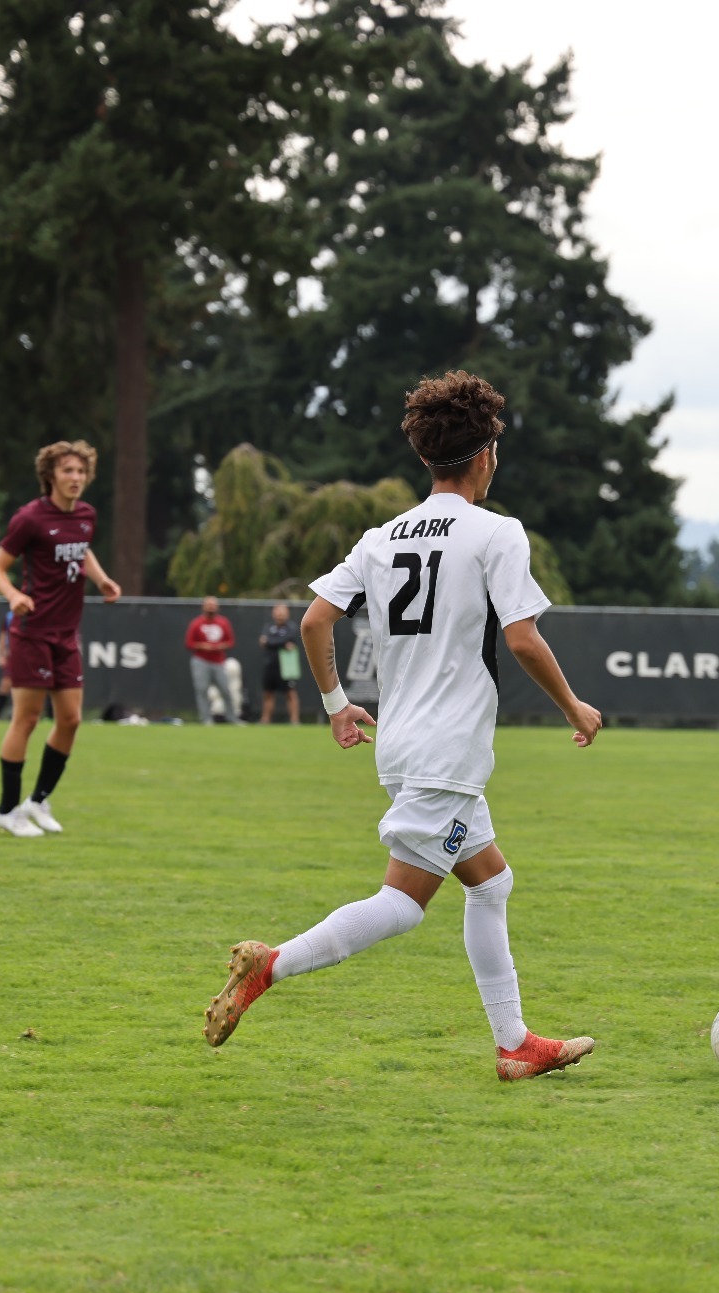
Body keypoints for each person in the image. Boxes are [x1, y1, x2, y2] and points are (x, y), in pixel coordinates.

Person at [204, 369, 603, 1083]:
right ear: (486, 456)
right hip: (447, 753)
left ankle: (515, 1044)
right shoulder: (498, 533)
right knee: (403, 904)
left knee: (491, 882)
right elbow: (522, 638)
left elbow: (315, 620)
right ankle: (271, 964)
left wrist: (336, 704)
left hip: (404, 743)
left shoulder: (381, 536)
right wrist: (574, 706)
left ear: (425, 456)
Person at [0, 439, 121, 836]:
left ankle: (38, 801)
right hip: (32, 633)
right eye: (68, 471)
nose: (76, 478)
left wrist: (102, 579)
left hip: (66, 634)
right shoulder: (29, 518)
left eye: (81, 471)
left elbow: (82, 550)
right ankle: (7, 811)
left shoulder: (86, 515)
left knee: (71, 720)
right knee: (26, 720)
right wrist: (14, 595)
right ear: (51, 476)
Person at [185, 595, 241, 723]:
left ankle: (232, 718)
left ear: (217, 607)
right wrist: (202, 646)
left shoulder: (223, 622)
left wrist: (220, 646)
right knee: (202, 690)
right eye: (208, 604)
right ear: (203, 607)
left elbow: (231, 642)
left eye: (213, 605)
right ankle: (206, 719)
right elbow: (189, 643)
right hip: (201, 661)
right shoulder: (196, 623)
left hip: (219, 661)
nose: (211, 607)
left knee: (226, 690)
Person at [258, 602, 302, 724]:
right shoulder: (268, 627)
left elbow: (283, 639)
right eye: (277, 613)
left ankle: (294, 720)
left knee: (290, 693)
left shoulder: (292, 627)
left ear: (287, 614)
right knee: (268, 693)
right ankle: (265, 720)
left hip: (287, 666)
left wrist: (270, 642)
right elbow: (264, 641)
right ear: (273, 614)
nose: (280, 616)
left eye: (282, 613)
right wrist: (281, 643)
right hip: (270, 665)